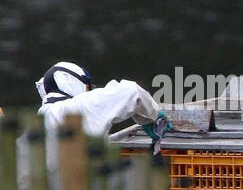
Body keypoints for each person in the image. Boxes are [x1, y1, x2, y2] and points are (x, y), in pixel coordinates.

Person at [36, 61, 169, 145]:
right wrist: (153, 117)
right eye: (87, 87)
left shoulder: (37, 122)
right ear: (70, 82)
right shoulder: (79, 106)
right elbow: (133, 92)